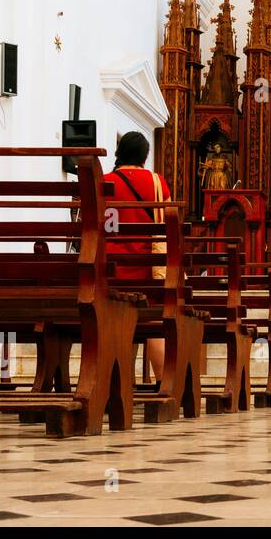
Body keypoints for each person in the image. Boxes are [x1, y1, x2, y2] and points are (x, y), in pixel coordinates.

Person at [104, 131, 169, 380]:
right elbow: (167, 225)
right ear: (144, 156)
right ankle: (164, 386)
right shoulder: (156, 182)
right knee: (153, 325)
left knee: (118, 323)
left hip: (113, 268)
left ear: (120, 152)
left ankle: (119, 384)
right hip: (147, 270)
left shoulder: (106, 181)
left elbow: (102, 226)